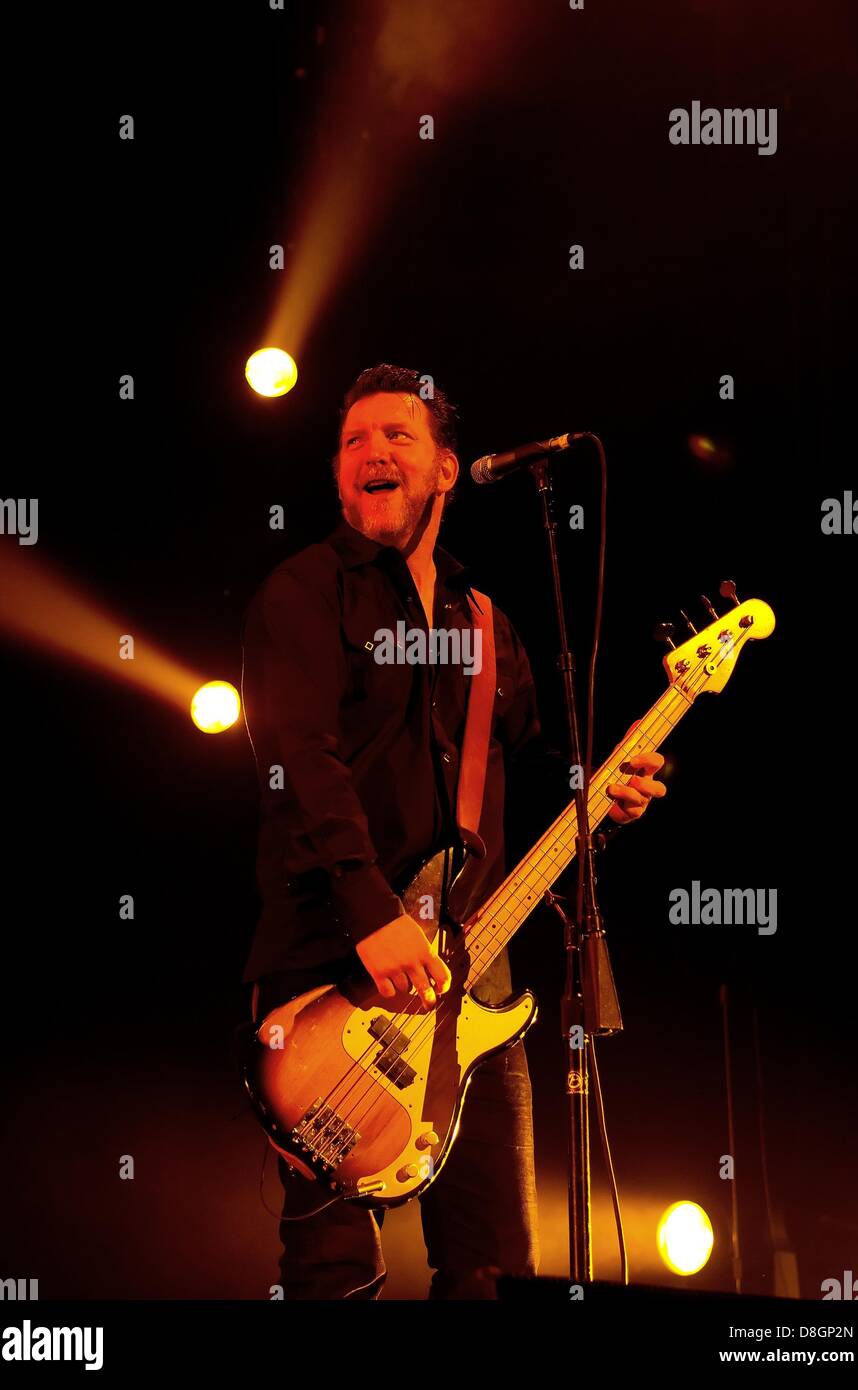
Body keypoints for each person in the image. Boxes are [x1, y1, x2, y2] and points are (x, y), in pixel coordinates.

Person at [239, 363, 665, 1299]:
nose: (372, 453)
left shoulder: (487, 627)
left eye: (396, 437)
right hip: (329, 966)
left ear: (444, 470)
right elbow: (299, 763)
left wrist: (606, 803)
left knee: (492, 1266)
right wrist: (369, 913)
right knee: (332, 1266)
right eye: (354, 442)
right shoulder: (302, 593)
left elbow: (536, 781)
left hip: (475, 981)